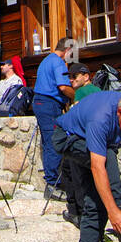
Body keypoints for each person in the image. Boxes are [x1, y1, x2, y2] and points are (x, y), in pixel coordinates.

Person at [51, 90, 121, 242]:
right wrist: (113, 211)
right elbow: (98, 166)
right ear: (120, 112)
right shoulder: (100, 117)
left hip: (98, 141)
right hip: (69, 137)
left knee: (95, 193)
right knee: (107, 157)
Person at [32, 38, 76, 201]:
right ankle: (53, 185)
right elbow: (63, 87)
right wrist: (76, 96)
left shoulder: (46, 60)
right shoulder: (58, 62)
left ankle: (53, 181)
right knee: (53, 142)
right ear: (67, 50)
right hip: (49, 103)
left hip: (41, 102)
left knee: (48, 142)